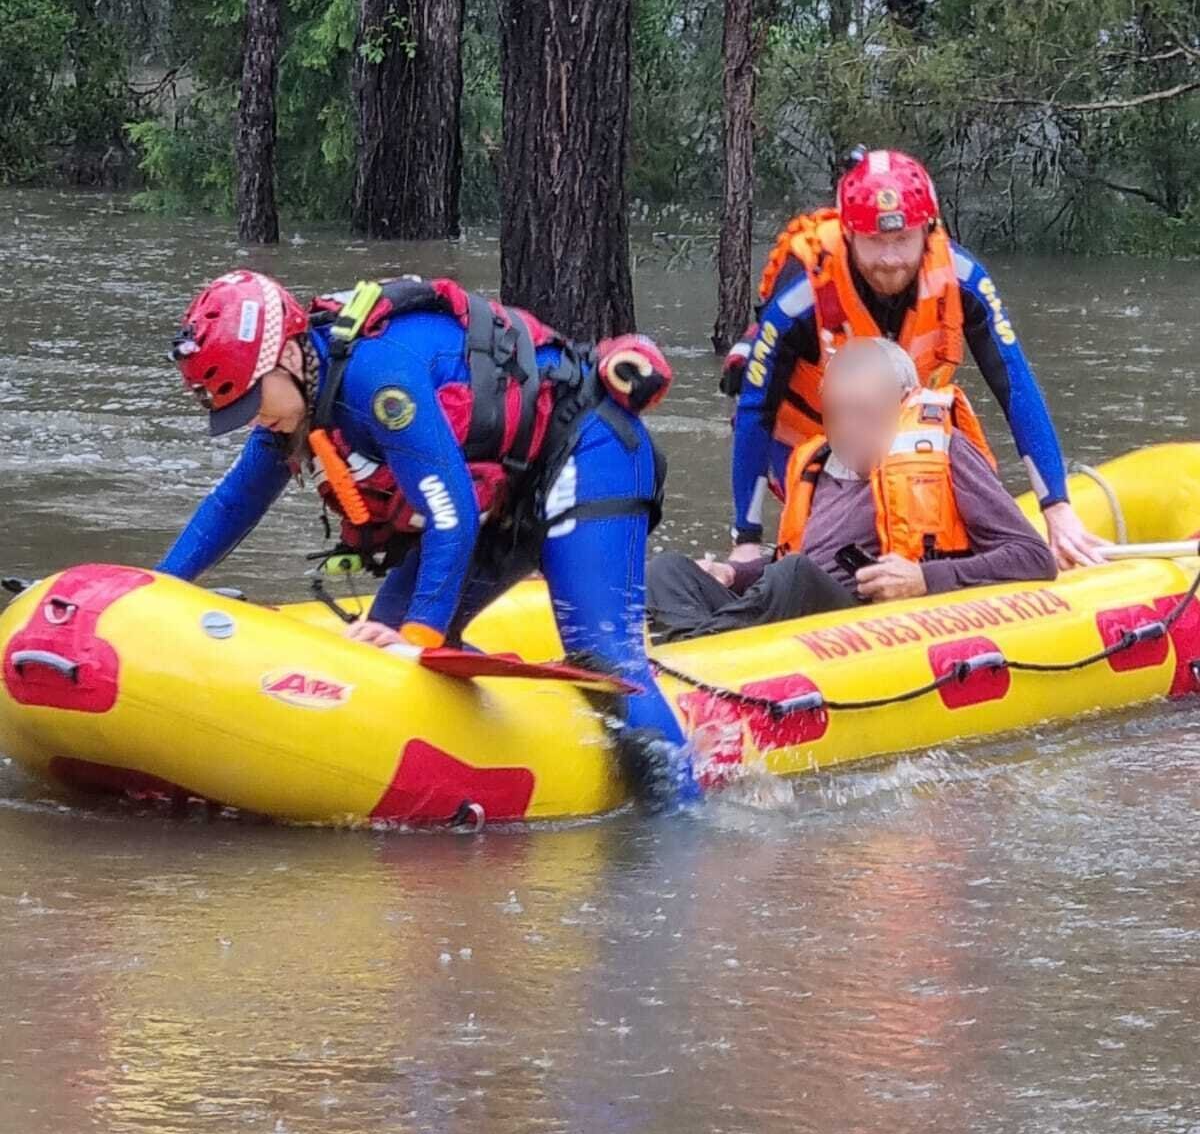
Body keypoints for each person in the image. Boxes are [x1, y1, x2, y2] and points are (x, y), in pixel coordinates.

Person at [158, 269, 695, 810]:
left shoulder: (377, 381)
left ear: (291, 357)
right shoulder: (294, 407)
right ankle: (541, 736)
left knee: (605, 657)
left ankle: (683, 819)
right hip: (502, 490)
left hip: (589, 449)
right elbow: (233, 504)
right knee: (386, 642)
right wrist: (157, 589)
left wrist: (421, 636)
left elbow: (451, 517)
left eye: (254, 401)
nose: (253, 419)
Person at [723, 147, 1104, 570]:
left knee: (941, 489)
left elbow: (1015, 385)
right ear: (848, 234)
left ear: (928, 230)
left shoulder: (963, 278)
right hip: (810, 439)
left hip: (901, 431)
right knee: (835, 545)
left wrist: (1056, 506)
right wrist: (746, 538)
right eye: (874, 241)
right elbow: (755, 409)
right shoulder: (802, 295)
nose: (890, 260)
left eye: (903, 240)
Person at [649, 338, 1056, 642]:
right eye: (835, 413)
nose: (846, 429)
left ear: (903, 402)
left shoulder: (946, 451)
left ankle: (698, 649)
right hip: (789, 613)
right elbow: (797, 559)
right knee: (667, 570)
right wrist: (734, 574)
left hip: (861, 629)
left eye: (862, 412)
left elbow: (1034, 557)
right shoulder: (818, 462)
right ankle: (689, 655)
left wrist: (925, 577)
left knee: (794, 576)